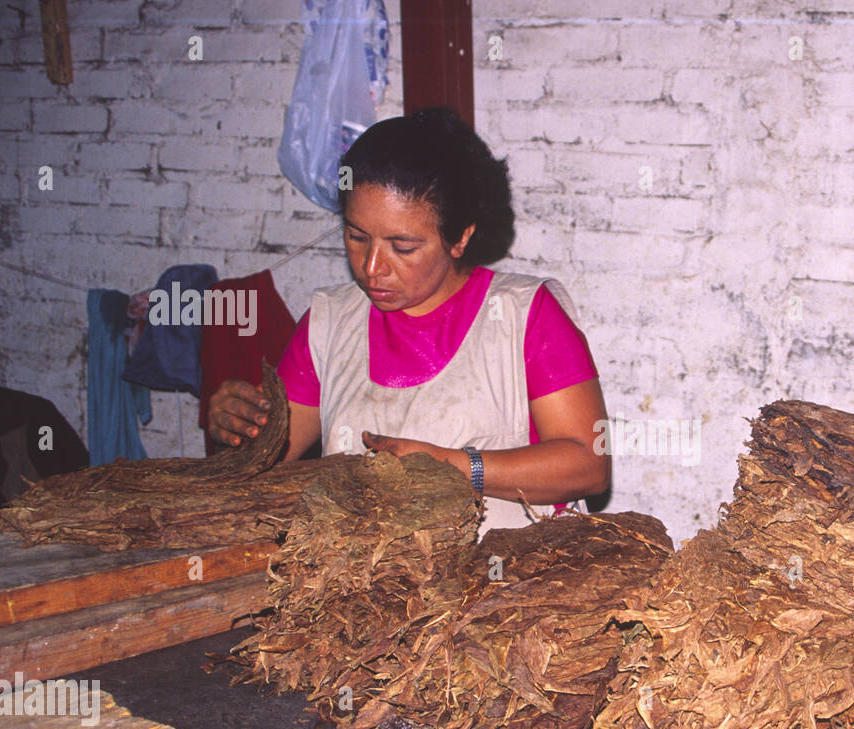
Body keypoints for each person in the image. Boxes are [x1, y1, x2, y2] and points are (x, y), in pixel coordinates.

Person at [207, 108, 610, 534]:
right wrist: (234, 432)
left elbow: (588, 464)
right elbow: (263, 471)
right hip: (361, 585)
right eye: (356, 237)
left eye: (402, 246)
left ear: (460, 238)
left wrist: (453, 466)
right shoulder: (330, 324)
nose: (372, 267)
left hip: (501, 585)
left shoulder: (524, 314)